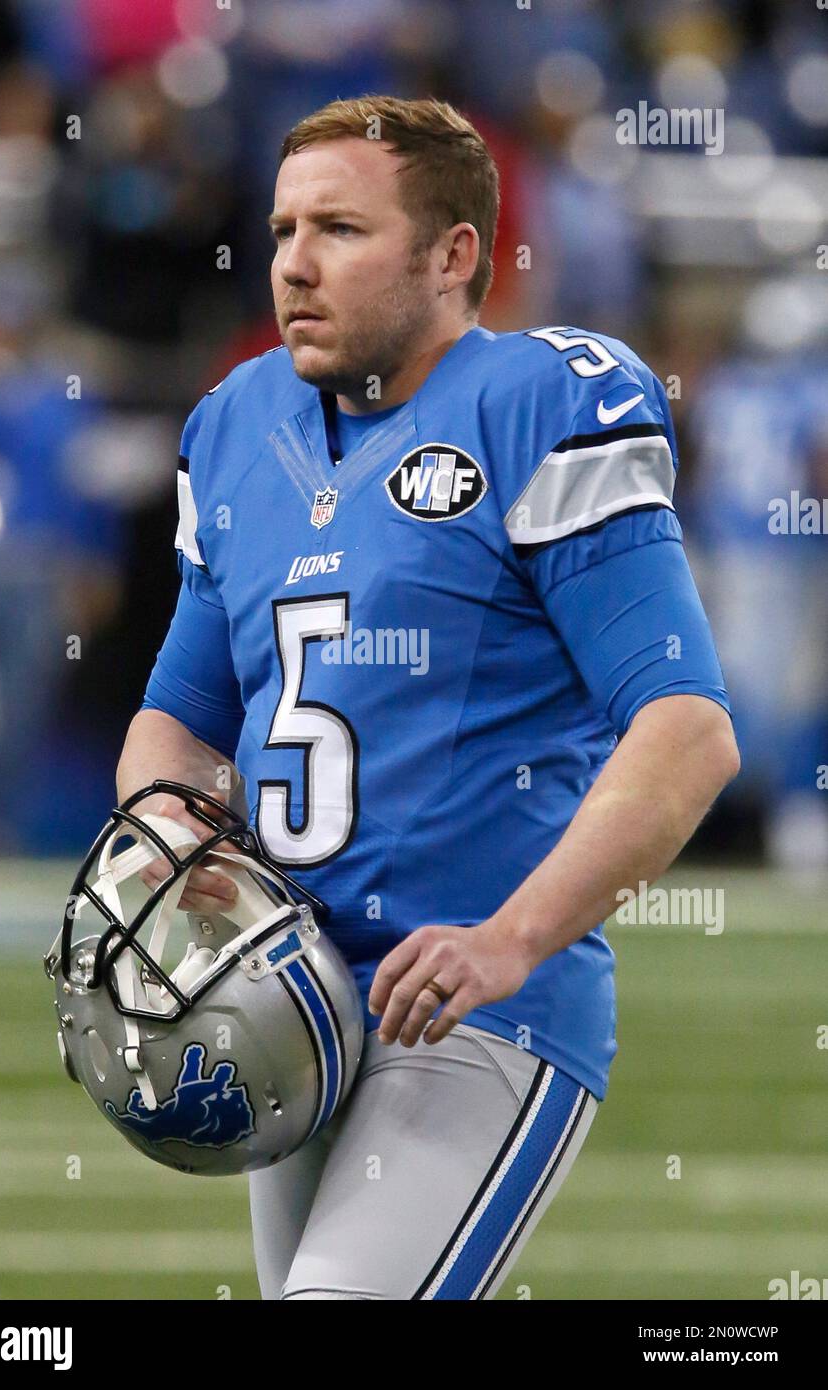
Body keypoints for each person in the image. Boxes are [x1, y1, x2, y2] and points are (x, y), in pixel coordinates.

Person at [116, 96, 739, 1300]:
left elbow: (686, 729)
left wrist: (510, 939)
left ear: (453, 256)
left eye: (340, 228)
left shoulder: (540, 401)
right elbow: (179, 720)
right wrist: (167, 830)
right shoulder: (237, 422)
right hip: (285, 1005)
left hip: (467, 1014)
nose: (294, 262)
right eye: (284, 225)